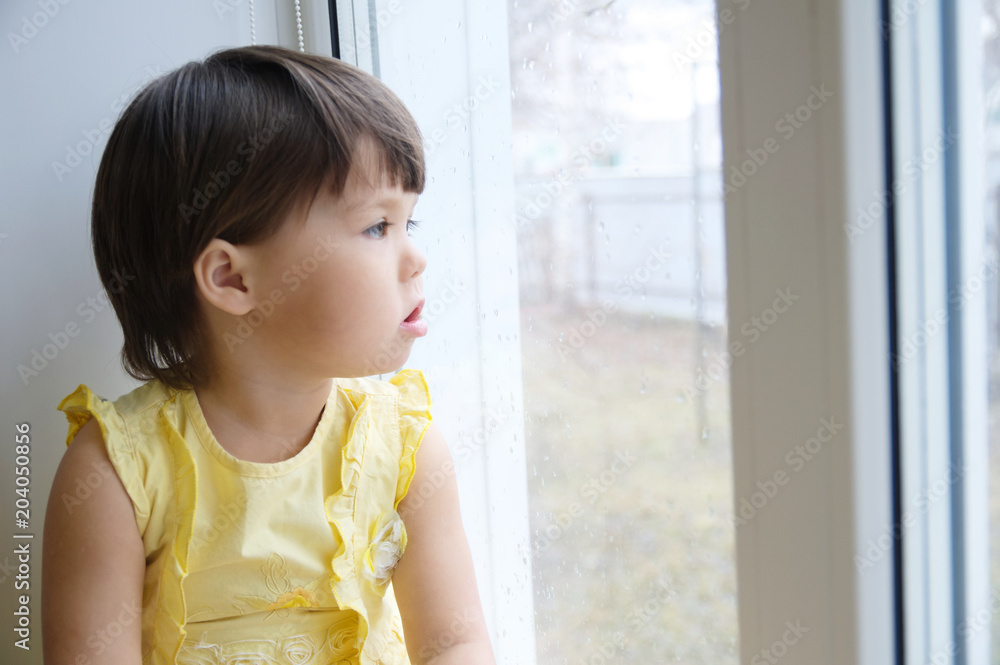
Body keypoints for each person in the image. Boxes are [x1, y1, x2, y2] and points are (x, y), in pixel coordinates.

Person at [41, 45, 495, 665]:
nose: (416, 259)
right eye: (376, 227)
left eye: (408, 223)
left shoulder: (405, 448)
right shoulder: (115, 474)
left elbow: (457, 643)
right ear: (232, 278)